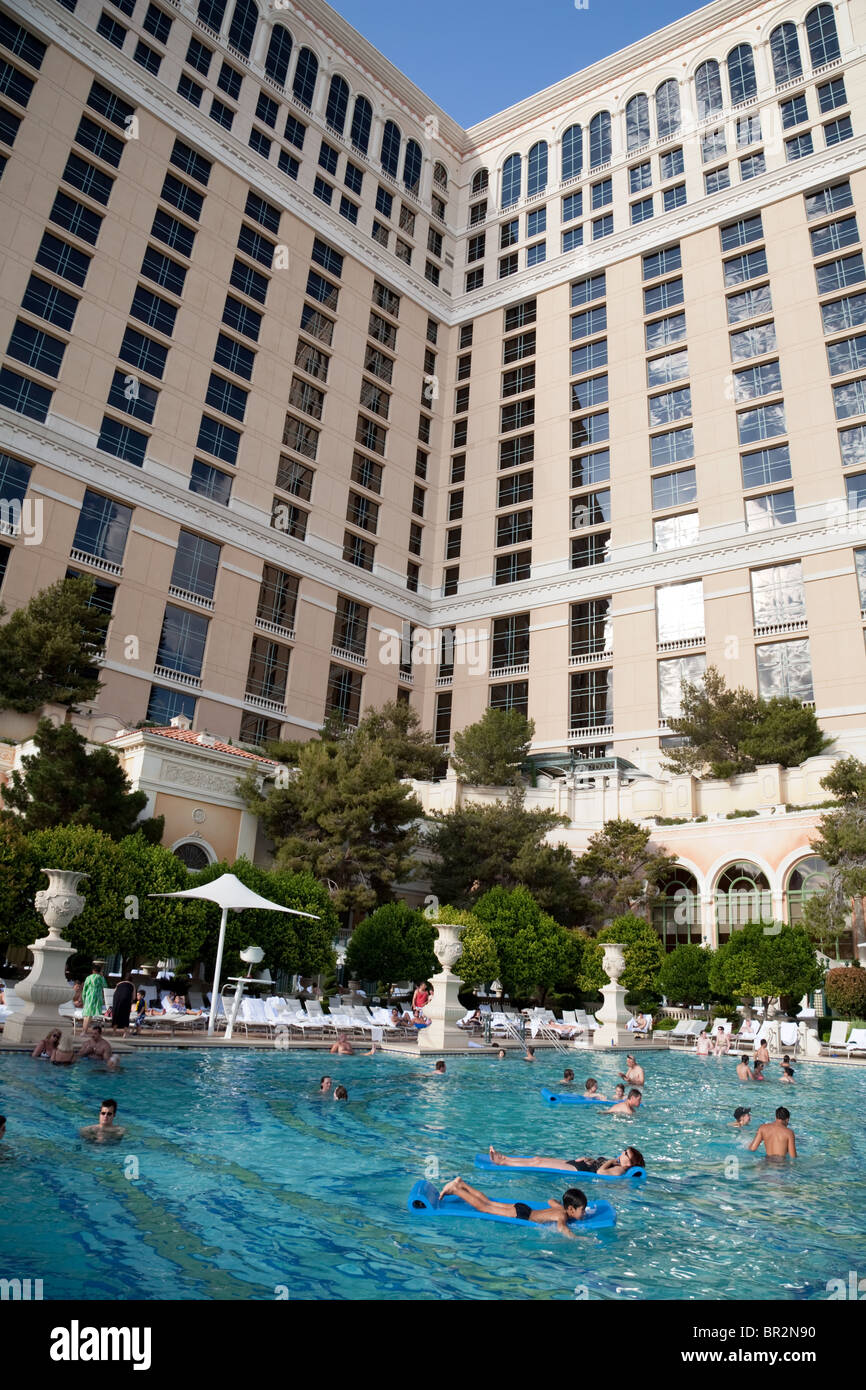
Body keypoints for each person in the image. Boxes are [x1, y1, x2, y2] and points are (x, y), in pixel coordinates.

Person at [438, 1177, 589, 1235]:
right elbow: (562, 1227)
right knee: (485, 1208)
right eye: (582, 1210)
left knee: (489, 1203)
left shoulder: (560, 1208)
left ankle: (461, 1183)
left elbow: (550, 1201)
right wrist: (575, 1238)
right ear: (571, 1209)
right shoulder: (562, 1215)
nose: (584, 1213)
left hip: (524, 1208)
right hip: (522, 1215)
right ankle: (456, 1190)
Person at [488, 1144, 645, 1175]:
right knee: (537, 1159)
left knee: (538, 1163)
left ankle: (501, 1161)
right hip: (580, 1164)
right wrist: (588, 1158)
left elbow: (601, 1172)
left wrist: (611, 1160)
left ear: (629, 1163)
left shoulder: (619, 1169)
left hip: (578, 1170)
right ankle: (505, 1158)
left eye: (626, 1153)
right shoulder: (618, 1164)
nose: (622, 1152)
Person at [81, 961, 107, 1033]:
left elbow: (84, 989)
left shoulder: (88, 977)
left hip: (88, 997)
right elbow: (105, 987)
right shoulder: (100, 978)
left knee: (87, 1015)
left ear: (93, 971)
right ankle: (84, 1031)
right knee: (89, 1015)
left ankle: (84, 1031)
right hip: (96, 998)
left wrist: (84, 999)